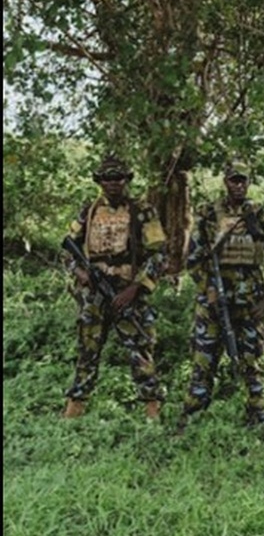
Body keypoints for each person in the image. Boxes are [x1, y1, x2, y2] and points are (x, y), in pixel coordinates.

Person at [177, 160, 264, 432]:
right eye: (233, 180)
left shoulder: (262, 217)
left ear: (249, 182)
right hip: (212, 304)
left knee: (252, 364)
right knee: (203, 363)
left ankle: (258, 421)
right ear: (225, 182)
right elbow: (192, 260)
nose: (238, 185)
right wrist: (208, 289)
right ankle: (191, 422)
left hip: (250, 304)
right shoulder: (208, 215)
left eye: (243, 180)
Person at [62, 154, 167, 419]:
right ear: (99, 181)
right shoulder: (88, 211)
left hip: (128, 290)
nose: (113, 183)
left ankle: (152, 408)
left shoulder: (142, 211)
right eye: (107, 179)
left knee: (140, 348)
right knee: (87, 349)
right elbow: (67, 250)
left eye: (118, 178)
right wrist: (80, 272)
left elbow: (159, 255)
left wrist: (136, 288)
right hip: (94, 294)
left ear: (126, 180)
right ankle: (74, 408)